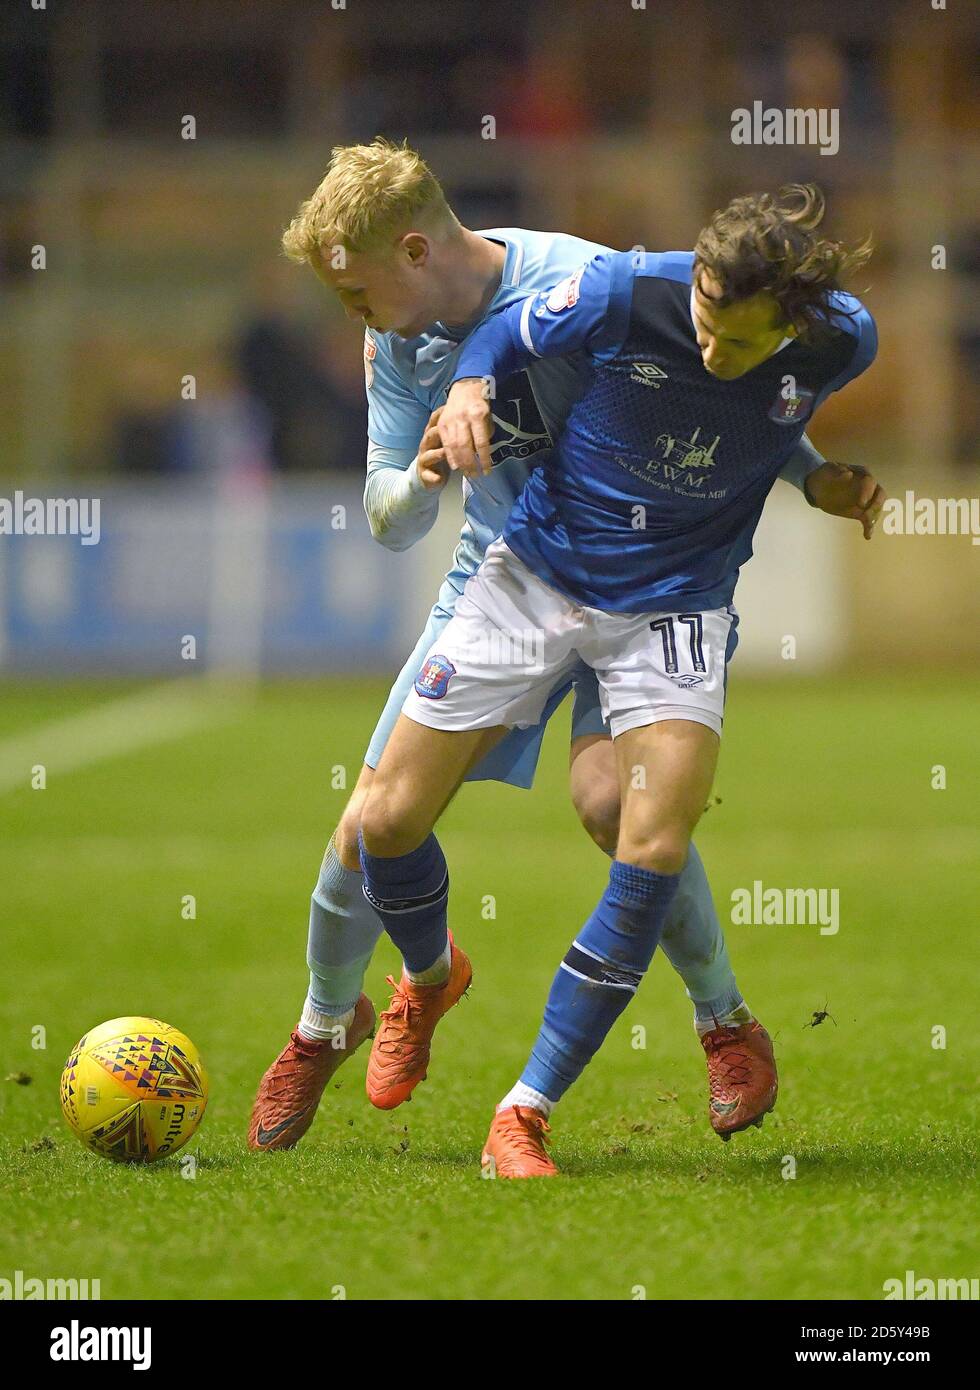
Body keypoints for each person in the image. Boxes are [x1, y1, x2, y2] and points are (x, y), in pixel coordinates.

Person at [248, 142, 883, 1157]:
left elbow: (740, 396)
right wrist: (421, 471)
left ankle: (717, 1024)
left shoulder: (595, 280)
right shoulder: (397, 344)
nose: (352, 315)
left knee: (617, 815)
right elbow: (387, 515)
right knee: (371, 828)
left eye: (358, 292)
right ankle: (356, 1009)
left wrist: (807, 477)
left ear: (412, 249)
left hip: (656, 592)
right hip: (511, 572)